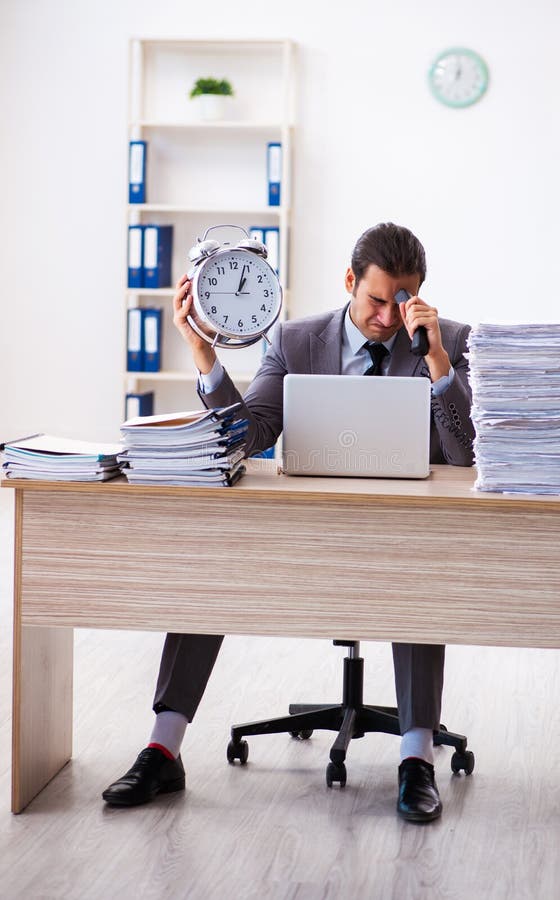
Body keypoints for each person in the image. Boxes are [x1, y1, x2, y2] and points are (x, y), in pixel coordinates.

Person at [102, 222, 475, 823]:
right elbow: (249, 436)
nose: (387, 317)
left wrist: (434, 361)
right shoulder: (298, 341)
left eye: (401, 301)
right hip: (307, 536)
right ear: (350, 282)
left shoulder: (447, 343)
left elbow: (466, 457)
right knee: (214, 563)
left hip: (402, 537)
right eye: (376, 300)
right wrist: (205, 355)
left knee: (418, 567)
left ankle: (417, 759)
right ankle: (162, 746)